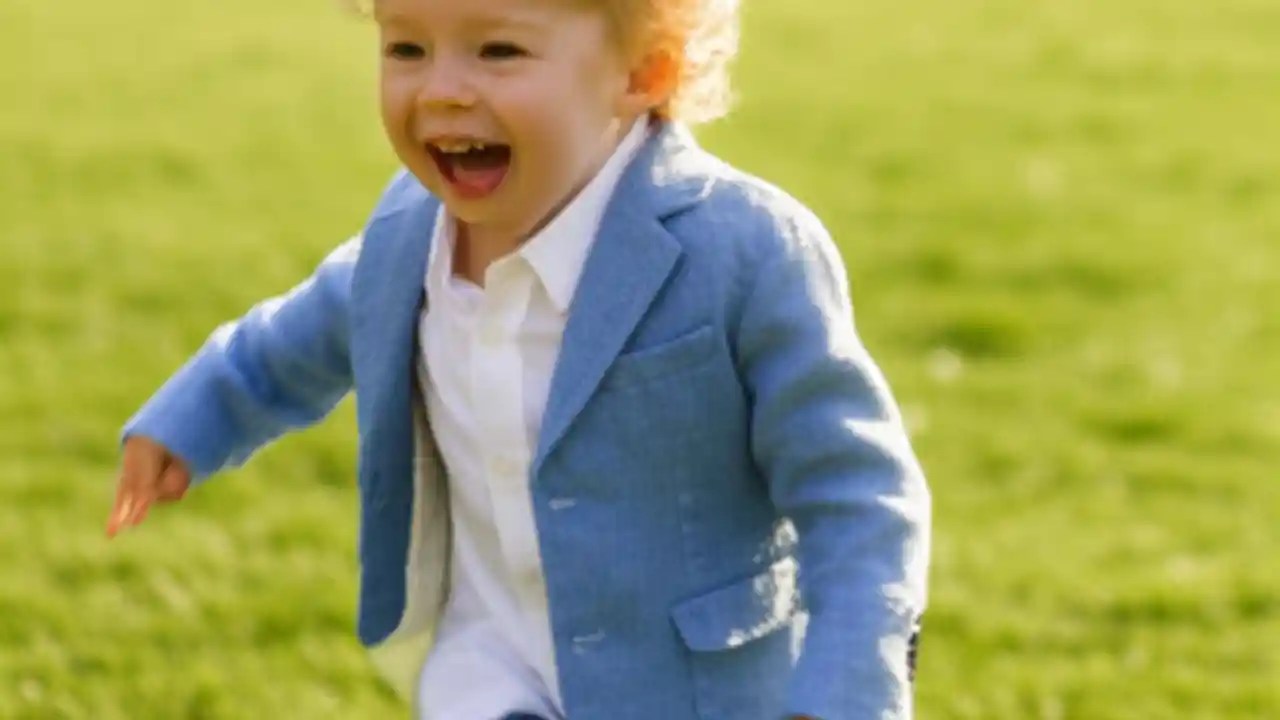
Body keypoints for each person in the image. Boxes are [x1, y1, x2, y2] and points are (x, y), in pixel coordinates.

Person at [107, 0, 931, 717]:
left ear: (646, 70)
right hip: (492, 669)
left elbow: (857, 493)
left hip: (688, 685)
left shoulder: (744, 252)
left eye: (498, 50)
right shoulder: (408, 239)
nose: (442, 88)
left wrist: (846, 688)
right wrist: (192, 419)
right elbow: (295, 340)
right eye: (406, 48)